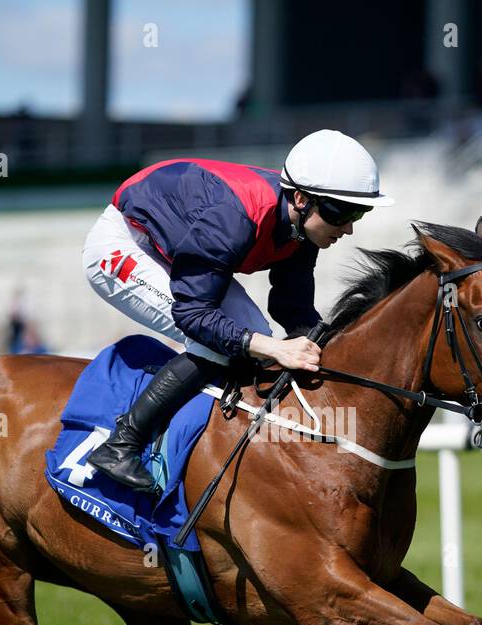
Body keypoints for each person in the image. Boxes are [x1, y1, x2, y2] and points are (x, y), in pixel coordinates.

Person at [81, 129, 394, 494]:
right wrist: (276, 348)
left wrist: (330, 344)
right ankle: (122, 443)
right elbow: (193, 315)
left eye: (360, 212)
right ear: (300, 199)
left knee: (251, 334)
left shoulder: (301, 228)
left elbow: (290, 306)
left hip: (177, 249)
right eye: (342, 212)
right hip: (126, 244)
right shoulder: (236, 217)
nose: (349, 227)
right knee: (224, 342)